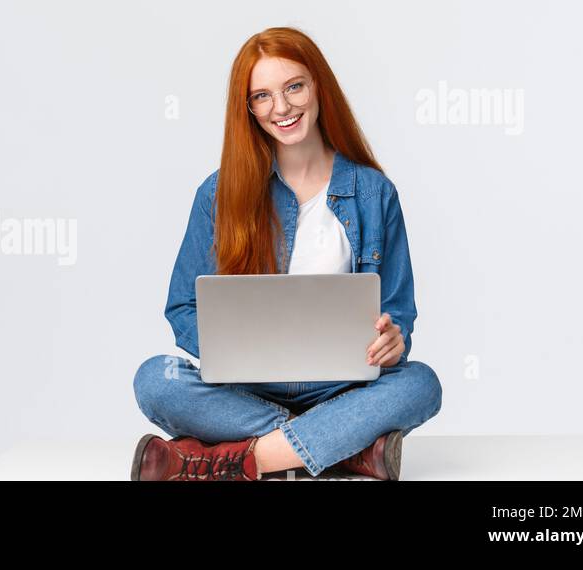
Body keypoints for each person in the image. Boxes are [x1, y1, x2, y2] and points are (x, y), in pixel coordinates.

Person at [131, 27, 442, 481]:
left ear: (319, 87)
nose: (281, 108)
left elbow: (396, 314)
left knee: (421, 384)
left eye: (294, 86)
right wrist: (227, 348)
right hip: (243, 391)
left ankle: (238, 459)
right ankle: (342, 448)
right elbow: (182, 306)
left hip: (342, 389)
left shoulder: (374, 192)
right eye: (262, 96)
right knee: (156, 379)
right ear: (249, 108)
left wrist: (393, 341)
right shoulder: (217, 194)